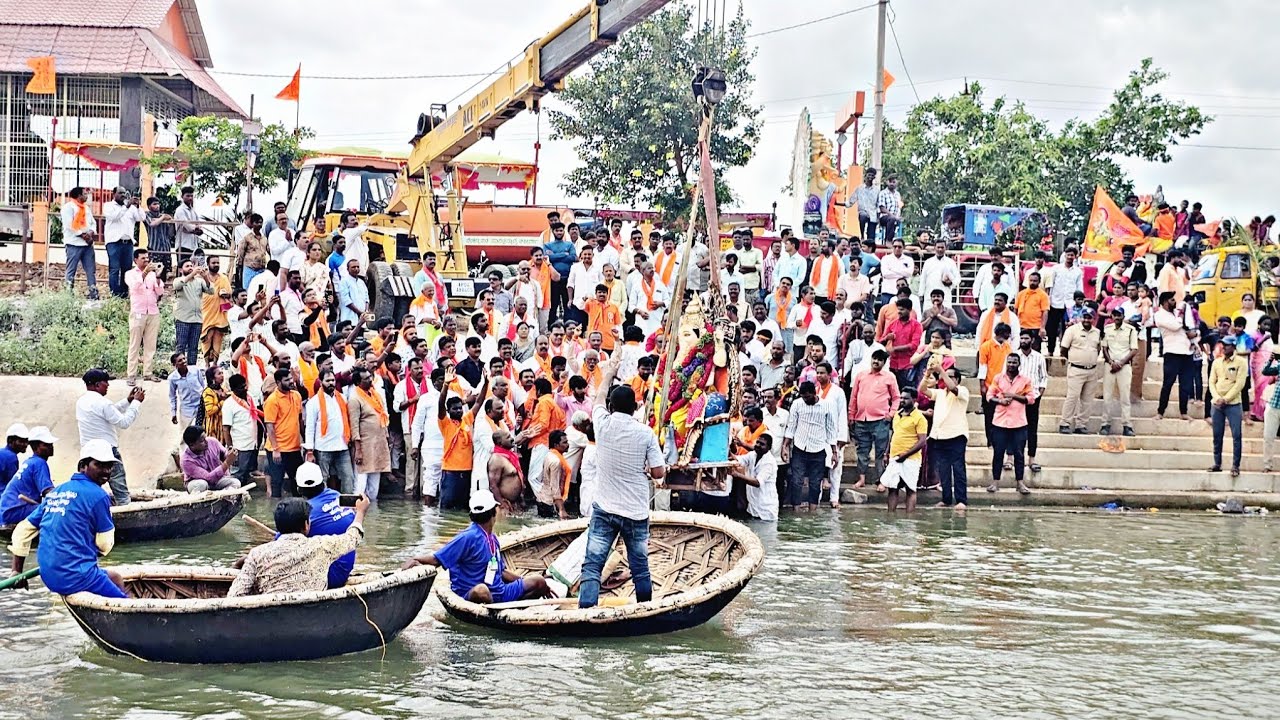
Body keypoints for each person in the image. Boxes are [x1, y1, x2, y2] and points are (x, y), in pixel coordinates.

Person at [578, 356, 665, 609]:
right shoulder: (645, 433)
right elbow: (659, 473)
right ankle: (645, 610)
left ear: (611, 406)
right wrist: (648, 469)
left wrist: (609, 372)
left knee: (593, 563)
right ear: (636, 406)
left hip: (605, 509)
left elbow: (598, 397)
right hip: (635, 512)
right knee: (640, 566)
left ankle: (586, 612)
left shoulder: (602, 424)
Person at [7, 440, 127, 596]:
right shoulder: (99, 496)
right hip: (77, 577)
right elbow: (105, 544)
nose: (106, 471)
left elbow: (22, 531)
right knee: (123, 602)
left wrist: (17, 570)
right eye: (99, 465)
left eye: (109, 466)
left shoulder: (57, 492)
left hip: (49, 576)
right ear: (83, 466)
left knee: (116, 578)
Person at [402, 489, 551, 604]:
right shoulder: (468, 537)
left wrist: (530, 581)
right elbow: (437, 559)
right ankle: (495, 610)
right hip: (473, 592)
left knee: (538, 581)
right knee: (482, 591)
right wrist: (416, 559)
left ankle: (507, 605)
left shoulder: (493, 539)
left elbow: (502, 572)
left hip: (499, 591)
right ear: (494, 512)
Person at [228, 494, 369, 597]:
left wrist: (240, 565)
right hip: (312, 615)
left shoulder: (256, 554)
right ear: (306, 525)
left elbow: (235, 595)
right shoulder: (321, 546)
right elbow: (353, 538)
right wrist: (360, 513)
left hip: (270, 618)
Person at [76, 368, 143, 504]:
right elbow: (123, 422)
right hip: (107, 452)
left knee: (88, 486)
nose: (108, 385)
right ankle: (126, 514)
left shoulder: (81, 402)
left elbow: (109, 412)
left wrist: (128, 400)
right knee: (120, 490)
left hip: (88, 453)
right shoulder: (103, 403)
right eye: (106, 382)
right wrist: (136, 402)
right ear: (97, 385)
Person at [292, 463, 358, 588]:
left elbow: (279, 544)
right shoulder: (337, 496)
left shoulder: (305, 512)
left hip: (330, 574)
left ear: (299, 489)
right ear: (322, 483)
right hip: (346, 565)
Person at [782, 380, 837, 512]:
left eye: (807, 397)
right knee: (796, 481)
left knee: (815, 483)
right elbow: (791, 426)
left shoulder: (827, 405)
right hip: (800, 448)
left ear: (814, 393)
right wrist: (785, 446)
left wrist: (834, 452)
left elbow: (831, 430)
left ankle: (812, 511)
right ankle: (796, 510)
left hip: (818, 449)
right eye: (803, 397)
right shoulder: (797, 404)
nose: (805, 399)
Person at [438, 369, 488, 510]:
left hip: (467, 471)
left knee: (464, 508)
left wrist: (486, 383)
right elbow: (441, 405)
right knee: (447, 507)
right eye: (455, 409)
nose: (459, 411)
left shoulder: (466, 420)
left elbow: (478, 402)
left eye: (460, 408)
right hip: (450, 472)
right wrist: (446, 385)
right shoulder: (445, 423)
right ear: (449, 411)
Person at [986, 353, 1035, 495]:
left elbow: (1031, 399)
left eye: (1014, 362)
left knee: (1019, 454)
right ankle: (995, 482)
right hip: (1000, 422)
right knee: (998, 453)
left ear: (1019, 364)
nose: (1011, 365)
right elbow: (989, 396)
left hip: (1019, 423)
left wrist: (1013, 396)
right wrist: (1000, 401)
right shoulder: (998, 378)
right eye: (1009, 362)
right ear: (1006, 363)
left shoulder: (1025, 380)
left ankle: (1020, 483)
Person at [849, 349, 897, 492]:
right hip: (861, 420)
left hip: (881, 420)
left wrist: (891, 414)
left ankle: (881, 480)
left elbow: (896, 398)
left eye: (879, 360)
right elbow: (854, 397)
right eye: (874, 359)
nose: (876, 362)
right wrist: (851, 415)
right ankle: (862, 478)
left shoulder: (889, 377)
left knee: (881, 453)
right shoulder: (861, 376)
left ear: (884, 362)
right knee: (862, 451)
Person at [924, 366, 970, 509]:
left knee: (958, 469)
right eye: (945, 376)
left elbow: (952, 387)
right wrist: (928, 374)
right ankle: (946, 499)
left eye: (951, 376)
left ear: (957, 379)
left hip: (956, 435)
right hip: (940, 436)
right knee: (943, 470)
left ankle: (961, 500)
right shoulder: (940, 393)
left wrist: (942, 371)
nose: (946, 378)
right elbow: (922, 390)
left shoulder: (962, 391)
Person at [303, 369, 356, 493]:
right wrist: (309, 451)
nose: (331, 383)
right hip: (323, 448)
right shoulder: (314, 402)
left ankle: (347, 507)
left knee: (348, 477)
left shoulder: (342, 398)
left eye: (333, 380)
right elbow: (309, 428)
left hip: (342, 446)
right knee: (322, 479)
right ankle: (325, 506)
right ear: (320, 382)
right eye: (327, 381)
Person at [881, 388, 928, 512]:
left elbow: (922, 441)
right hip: (895, 457)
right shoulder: (897, 414)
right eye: (901, 398)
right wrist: (886, 453)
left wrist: (906, 455)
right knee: (892, 487)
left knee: (910, 489)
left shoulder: (919, 418)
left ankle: (909, 519)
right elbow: (894, 435)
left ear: (914, 400)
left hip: (911, 459)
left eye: (905, 398)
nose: (902, 400)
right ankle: (890, 516)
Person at [0, 426, 57, 525]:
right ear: (35, 447)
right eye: (46, 445)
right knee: (56, 510)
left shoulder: (31, 462)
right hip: (14, 510)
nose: (50, 447)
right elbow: (47, 491)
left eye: (51, 444)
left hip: (8, 509)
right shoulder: (39, 463)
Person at [124, 248, 164, 385]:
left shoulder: (152, 275)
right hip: (138, 312)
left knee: (150, 345)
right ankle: (131, 374)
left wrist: (158, 277)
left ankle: (148, 373)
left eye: (147, 258)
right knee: (134, 344)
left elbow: (159, 291)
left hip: (152, 312)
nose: (146, 260)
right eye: (143, 258)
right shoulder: (130, 274)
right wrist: (145, 273)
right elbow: (135, 287)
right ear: (136, 260)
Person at [1059, 308, 1101, 435]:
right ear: (1080, 317)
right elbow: (1063, 350)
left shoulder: (1097, 332)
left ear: (1093, 319)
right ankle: (1065, 423)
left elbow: (1097, 349)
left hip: (1092, 371)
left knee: (1087, 399)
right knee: (1072, 397)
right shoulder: (1072, 330)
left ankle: (1081, 424)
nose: (1086, 320)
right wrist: (1076, 359)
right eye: (1084, 317)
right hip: (1076, 369)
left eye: (1089, 317)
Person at [1155, 291, 1197, 420]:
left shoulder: (1176, 314)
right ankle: (1160, 412)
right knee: (1168, 383)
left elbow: (1191, 328)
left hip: (1186, 352)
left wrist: (1193, 338)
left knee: (1185, 384)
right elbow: (1175, 326)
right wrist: (1182, 315)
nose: (1175, 302)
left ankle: (1183, 412)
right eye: (1172, 300)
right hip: (1172, 353)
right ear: (1164, 302)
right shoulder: (1159, 315)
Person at [1209, 338, 1248, 476]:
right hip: (1217, 403)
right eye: (1223, 345)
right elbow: (1211, 382)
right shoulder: (1216, 362)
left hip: (1233, 404)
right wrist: (1217, 398)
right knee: (1217, 435)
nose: (1224, 347)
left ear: (1233, 346)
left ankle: (1235, 466)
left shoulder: (1241, 363)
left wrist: (1226, 398)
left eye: (1227, 345)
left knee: (1236, 435)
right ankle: (1217, 463)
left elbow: (1240, 384)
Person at [262, 369, 303, 498]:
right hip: (278, 449)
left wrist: (306, 442)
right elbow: (270, 426)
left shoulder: (296, 395)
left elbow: (300, 419)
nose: (291, 381)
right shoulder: (272, 400)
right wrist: (276, 449)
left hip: (294, 448)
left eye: (291, 378)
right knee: (277, 483)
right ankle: (274, 513)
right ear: (278, 382)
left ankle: (299, 511)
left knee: (298, 481)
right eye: (287, 380)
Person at [1101, 307, 1139, 437]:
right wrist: (1111, 362)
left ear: (1123, 316)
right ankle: (1105, 423)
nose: (1117, 317)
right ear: (1112, 316)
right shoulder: (1107, 329)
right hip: (1109, 366)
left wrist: (1121, 363)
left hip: (1124, 366)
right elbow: (1104, 348)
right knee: (1107, 396)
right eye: (1115, 315)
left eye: (1119, 315)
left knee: (1124, 396)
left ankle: (1127, 425)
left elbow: (1134, 349)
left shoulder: (1131, 330)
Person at [1014, 330, 1048, 473]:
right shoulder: (1014, 356)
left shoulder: (1039, 357)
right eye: (1021, 338)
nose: (1023, 340)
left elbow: (1044, 378)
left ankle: (1031, 459)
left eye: (1026, 338)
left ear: (1032, 340)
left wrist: (1038, 394)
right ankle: (1012, 459)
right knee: (1015, 429)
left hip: (1033, 398)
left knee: (1032, 430)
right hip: (1016, 398)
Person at [103, 188, 144, 298]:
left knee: (127, 269)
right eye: (120, 193)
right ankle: (114, 295)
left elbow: (141, 218)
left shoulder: (131, 208)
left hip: (128, 243)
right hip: (114, 242)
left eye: (124, 193)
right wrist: (127, 206)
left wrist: (138, 206)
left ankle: (124, 294)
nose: (123, 195)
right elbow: (114, 217)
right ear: (113, 194)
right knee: (115, 269)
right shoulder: (108, 206)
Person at [977, 323, 1013, 445]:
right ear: (1001, 334)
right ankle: (990, 441)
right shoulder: (986, 346)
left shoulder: (1008, 347)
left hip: (1004, 387)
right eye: (1007, 334)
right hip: (989, 386)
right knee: (989, 415)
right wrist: (982, 386)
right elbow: (982, 367)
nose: (1008, 337)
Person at [61, 186, 99, 299]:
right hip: (74, 243)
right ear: (78, 196)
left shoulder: (86, 208)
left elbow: (93, 223)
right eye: (85, 194)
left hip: (87, 244)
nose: (87, 196)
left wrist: (91, 233)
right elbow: (69, 225)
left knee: (90, 270)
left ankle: (93, 293)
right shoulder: (68, 208)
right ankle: (68, 294)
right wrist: (83, 235)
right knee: (71, 269)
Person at [178, 426, 242, 493]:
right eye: (202, 441)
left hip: (217, 480)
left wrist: (230, 454)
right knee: (201, 485)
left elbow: (224, 454)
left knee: (236, 483)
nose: (206, 441)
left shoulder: (212, 441)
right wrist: (227, 463)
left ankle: (222, 498)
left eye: (205, 437)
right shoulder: (186, 461)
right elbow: (209, 478)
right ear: (192, 445)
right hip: (198, 482)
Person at [1046, 247, 1084, 355]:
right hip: (1055, 302)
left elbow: (1079, 288)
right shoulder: (1056, 268)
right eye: (1068, 255)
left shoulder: (1078, 271)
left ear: (1075, 256)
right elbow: (1050, 284)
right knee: (1052, 328)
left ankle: (1064, 352)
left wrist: (1079, 301)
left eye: (1072, 255)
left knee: (1067, 328)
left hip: (1070, 304)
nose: (1070, 257)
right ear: (1065, 255)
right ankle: (1050, 350)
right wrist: (1049, 298)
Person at [883, 297, 923, 387]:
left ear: (909, 310)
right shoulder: (893, 324)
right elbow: (882, 340)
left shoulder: (917, 325)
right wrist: (887, 338)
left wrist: (894, 349)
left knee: (907, 392)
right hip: (893, 364)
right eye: (898, 309)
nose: (899, 312)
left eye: (902, 309)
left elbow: (914, 345)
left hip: (908, 365)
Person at [1015, 272, 1050, 347]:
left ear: (1039, 282)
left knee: (1035, 349)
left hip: (1036, 327)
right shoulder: (1021, 294)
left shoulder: (1043, 295)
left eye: (1035, 281)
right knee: (1020, 348)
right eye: (1031, 280)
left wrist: (1042, 328)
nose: (1032, 282)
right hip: (1021, 326)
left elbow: (1045, 312)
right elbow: (1016, 309)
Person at [173, 186, 203, 267]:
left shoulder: (193, 211)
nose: (190, 198)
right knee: (183, 269)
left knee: (192, 269)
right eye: (187, 196)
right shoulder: (180, 210)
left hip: (193, 245)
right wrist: (194, 229)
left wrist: (195, 229)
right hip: (183, 244)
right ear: (182, 196)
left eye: (191, 196)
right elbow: (188, 227)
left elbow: (199, 226)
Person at [0, 424, 29, 495]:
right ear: (10, 441)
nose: (25, 444)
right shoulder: (11, 457)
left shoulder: (2, 452)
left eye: (26, 441)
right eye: (21, 441)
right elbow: (13, 483)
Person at [876, 175, 903, 244]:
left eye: (893, 182)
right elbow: (882, 208)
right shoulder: (883, 193)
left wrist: (897, 216)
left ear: (897, 183)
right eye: (890, 182)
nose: (891, 184)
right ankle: (888, 240)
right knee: (892, 219)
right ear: (887, 182)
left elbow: (898, 207)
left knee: (896, 220)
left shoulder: (897, 194)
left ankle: (895, 241)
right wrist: (892, 216)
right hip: (884, 217)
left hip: (894, 217)